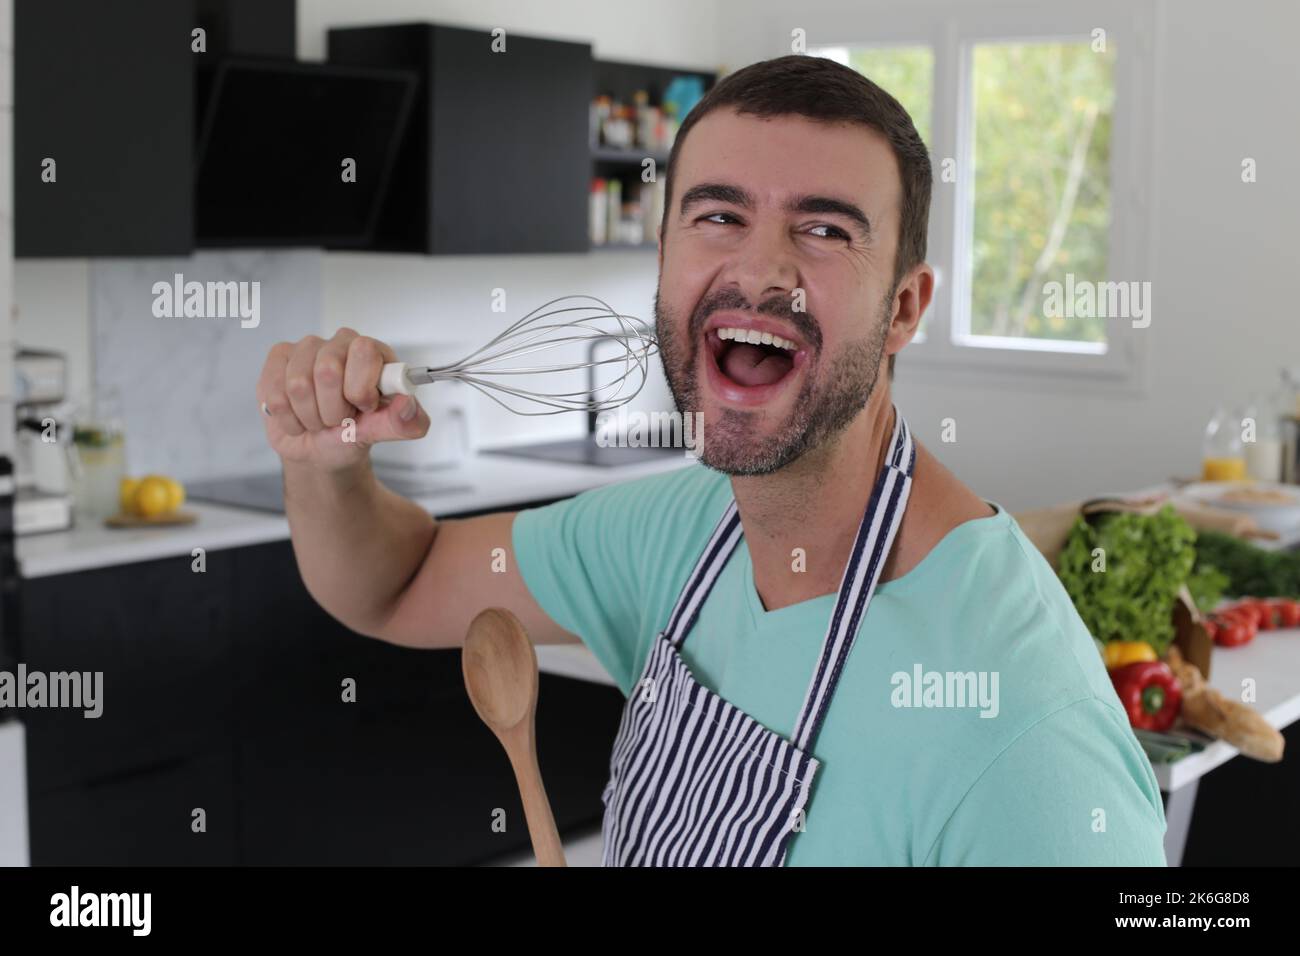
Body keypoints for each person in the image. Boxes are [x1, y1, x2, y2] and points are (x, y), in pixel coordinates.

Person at [257, 55, 1167, 866]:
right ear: (663, 261)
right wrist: (327, 465)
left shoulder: (1025, 733)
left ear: (903, 308)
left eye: (825, 230)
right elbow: (396, 583)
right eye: (719, 215)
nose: (760, 270)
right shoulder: (688, 532)